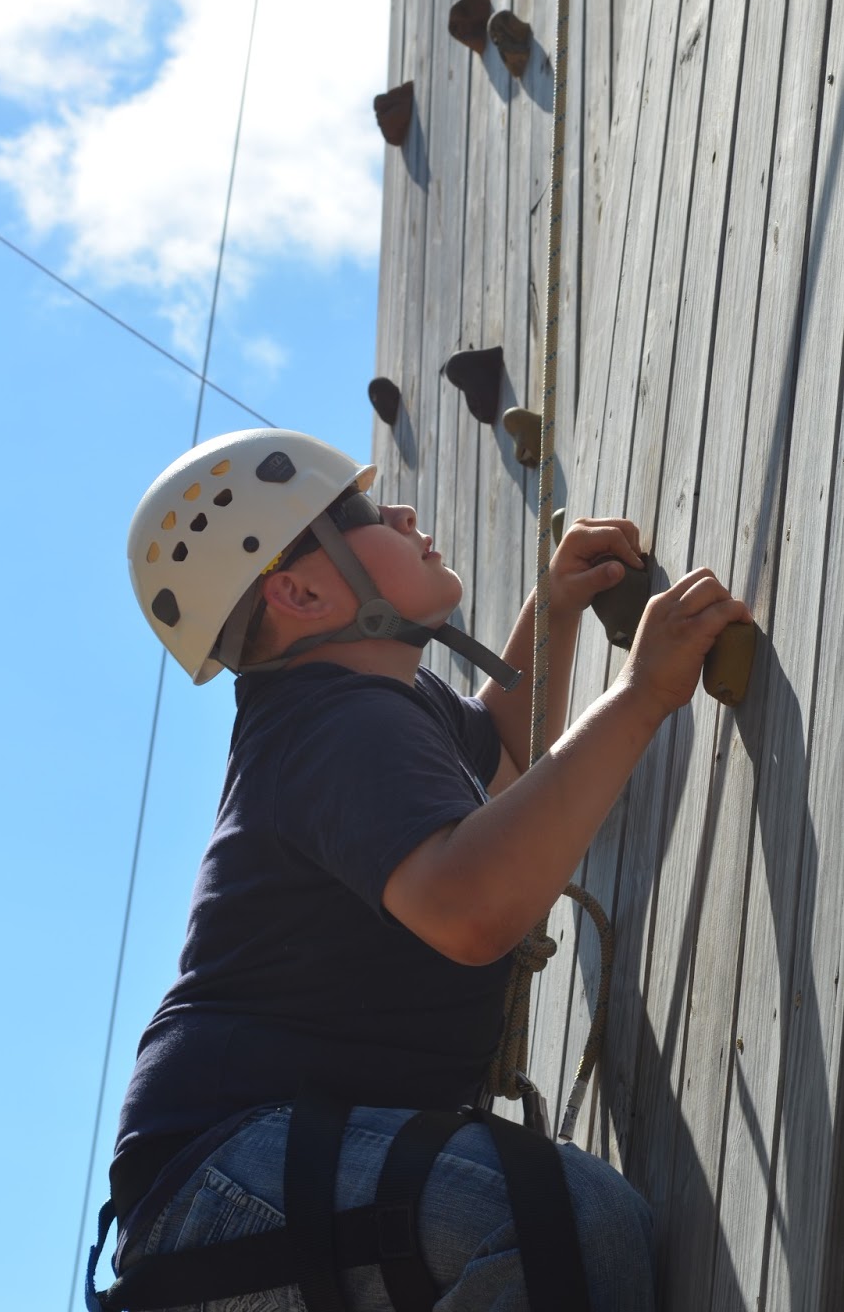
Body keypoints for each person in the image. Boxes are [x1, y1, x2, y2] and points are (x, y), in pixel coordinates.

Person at [86, 427, 752, 1312]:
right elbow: (471, 906)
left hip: (225, 1178)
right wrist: (641, 693)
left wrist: (551, 610)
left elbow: (508, 761)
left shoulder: (373, 708)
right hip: (227, 1169)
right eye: (359, 511)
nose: (399, 509)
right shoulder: (333, 725)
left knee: (562, 1222)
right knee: (560, 1220)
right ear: (301, 588)